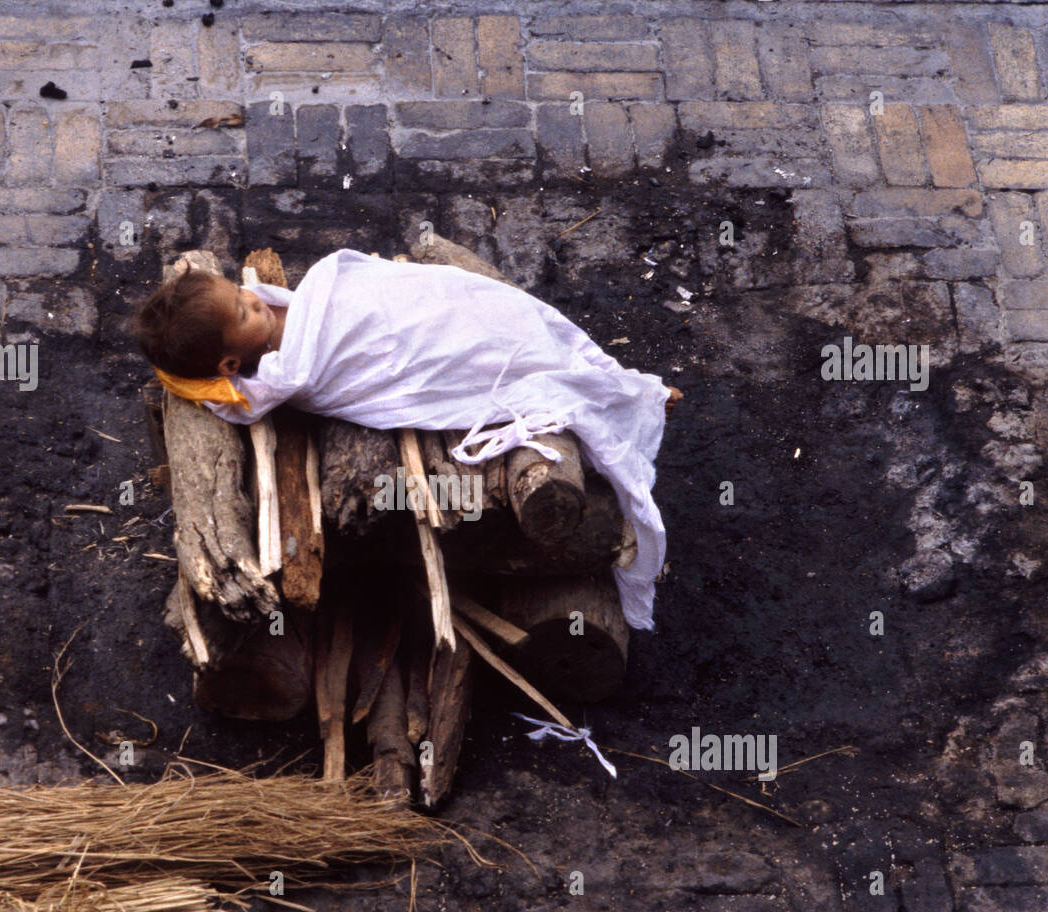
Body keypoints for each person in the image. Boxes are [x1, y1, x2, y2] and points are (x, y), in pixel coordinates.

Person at [131, 248, 678, 630]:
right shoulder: (282, 372)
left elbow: (341, 281)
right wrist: (193, 380)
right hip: (385, 347)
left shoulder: (280, 309)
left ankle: (614, 382)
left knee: (467, 310)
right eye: (246, 310)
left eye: (245, 295)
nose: (259, 301)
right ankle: (623, 392)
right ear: (231, 361)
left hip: (378, 306)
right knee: (471, 359)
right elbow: (240, 400)